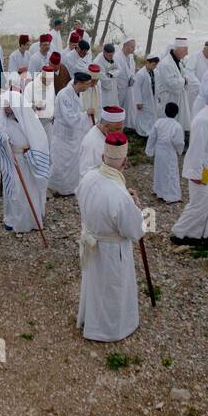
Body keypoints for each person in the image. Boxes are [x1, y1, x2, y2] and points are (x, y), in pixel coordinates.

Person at [75, 132, 146, 342]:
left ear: (103, 157)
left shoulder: (88, 177)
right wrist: (136, 206)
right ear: (125, 161)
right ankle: (110, 329)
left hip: (93, 242)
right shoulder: (119, 194)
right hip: (112, 250)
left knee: (95, 285)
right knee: (113, 288)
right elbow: (134, 230)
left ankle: (92, 321)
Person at [170, 79, 208, 245]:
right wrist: (195, 173)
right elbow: (196, 149)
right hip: (202, 170)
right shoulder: (203, 119)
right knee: (199, 204)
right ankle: (179, 233)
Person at [0, 89, 51, 234]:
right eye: (5, 105)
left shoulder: (29, 121)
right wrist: (1, 139)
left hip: (28, 162)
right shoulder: (2, 121)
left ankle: (33, 220)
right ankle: (14, 220)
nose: (6, 108)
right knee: (14, 191)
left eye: (9, 105)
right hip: (13, 162)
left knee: (30, 190)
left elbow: (39, 140)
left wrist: (31, 153)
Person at [50, 71, 95, 195]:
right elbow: (69, 118)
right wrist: (86, 114)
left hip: (73, 134)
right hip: (62, 134)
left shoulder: (77, 92)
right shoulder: (64, 95)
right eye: (86, 84)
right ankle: (55, 187)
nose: (87, 87)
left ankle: (69, 188)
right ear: (79, 83)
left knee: (73, 162)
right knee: (60, 162)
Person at [146, 101, 184, 203]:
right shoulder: (177, 126)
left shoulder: (159, 122)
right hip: (169, 151)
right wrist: (179, 151)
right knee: (170, 172)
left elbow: (152, 137)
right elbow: (179, 142)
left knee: (159, 170)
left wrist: (150, 150)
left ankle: (159, 191)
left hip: (159, 150)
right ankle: (170, 196)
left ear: (165, 111)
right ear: (176, 113)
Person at [154, 38, 192, 132]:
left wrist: (184, 80)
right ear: (179, 50)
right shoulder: (166, 63)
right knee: (166, 125)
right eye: (185, 51)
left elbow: (183, 74)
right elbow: (170, 83)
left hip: (176, 98)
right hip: (168, 99)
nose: (187, 53)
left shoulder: (176, 61)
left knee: (175, 125)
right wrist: (184, 81)